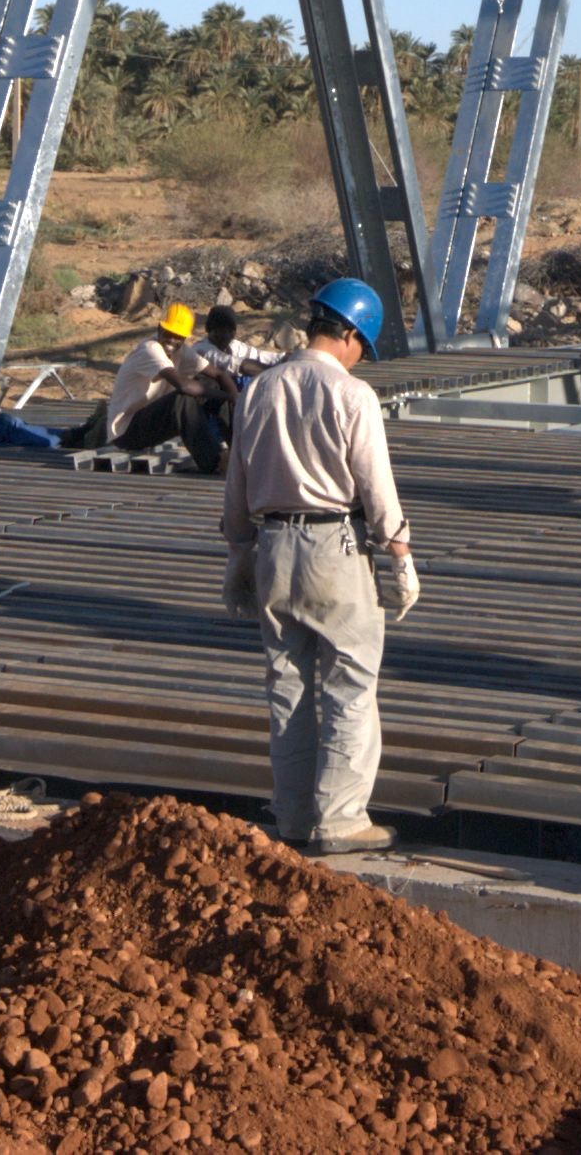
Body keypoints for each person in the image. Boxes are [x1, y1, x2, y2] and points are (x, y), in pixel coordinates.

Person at [221, 278, 414, 856]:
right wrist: (399, 555)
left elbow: (237, 479)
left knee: (287, 687)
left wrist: (237, 554)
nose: (362, 359)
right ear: (350, 334)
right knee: (350, 686)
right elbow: (376, 485)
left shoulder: (257, 390)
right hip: (335, 547)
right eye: (363, 347)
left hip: (272, 546)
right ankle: (342, 820)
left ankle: (295, 818)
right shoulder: (352, 396)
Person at [97, 303, 228, 472]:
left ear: (184, 339)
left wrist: (235, 398)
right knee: (182, 400)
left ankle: (235, 446)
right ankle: (216, 462)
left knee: (212, 384)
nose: (172, 341)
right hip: (126, 433)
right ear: (160, 328)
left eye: (178, 337)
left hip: (149, 422)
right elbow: (183, 385)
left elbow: (219, 374)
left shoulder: (181, 351)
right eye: (168, 334)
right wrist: (227, 396)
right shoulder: (150, 349)